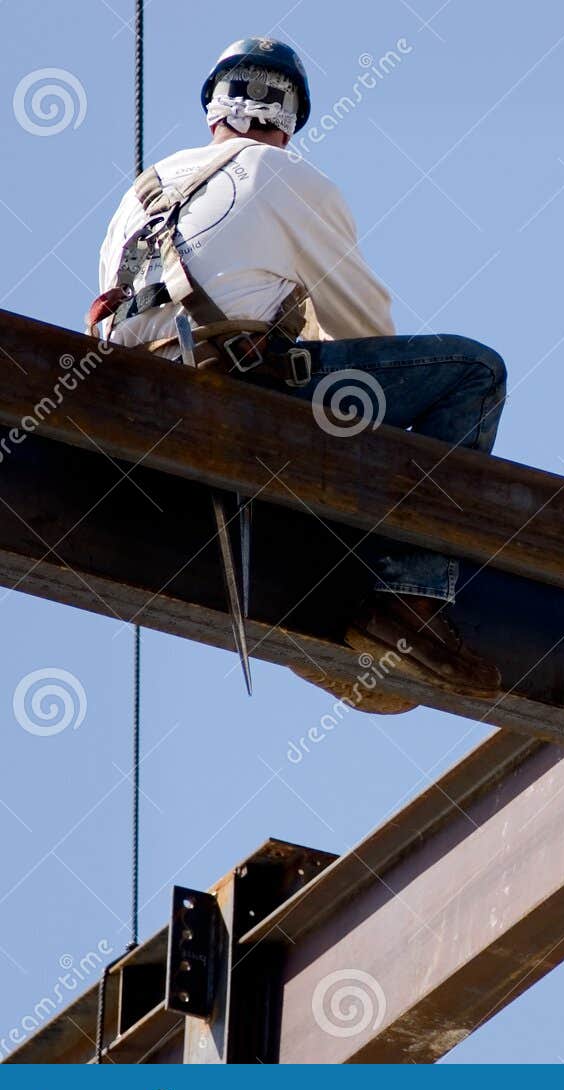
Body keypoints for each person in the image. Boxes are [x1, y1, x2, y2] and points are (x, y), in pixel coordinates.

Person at [92, 37, 504, 712]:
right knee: (472, 374)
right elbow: (364, 330)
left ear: (213, 107)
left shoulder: (140, 195)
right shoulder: (286, 176)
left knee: (308, 401)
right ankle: (410, 604)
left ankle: (313, 594)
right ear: (290, 120)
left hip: (131, 407)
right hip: (234, 394)